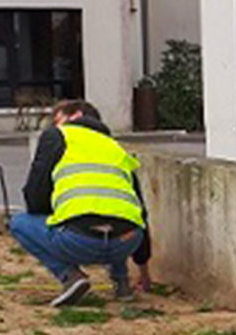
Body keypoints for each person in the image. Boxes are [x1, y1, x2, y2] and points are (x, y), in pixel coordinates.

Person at [10, 99, 153, 307]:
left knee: (19, 223)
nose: (54, 126)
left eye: (57, 120)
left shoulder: (56, 136)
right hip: (126, 242)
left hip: (79, 241)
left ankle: (70, 276)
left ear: (76, 116)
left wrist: (59, 211)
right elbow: (139, 212)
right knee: (114, 211)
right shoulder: (116, 148)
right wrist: (144, 271)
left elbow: (35, 197)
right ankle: (122, 283)